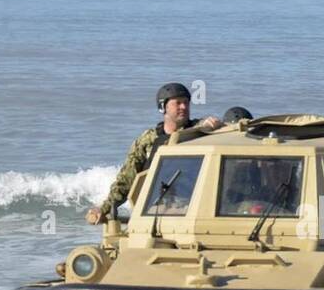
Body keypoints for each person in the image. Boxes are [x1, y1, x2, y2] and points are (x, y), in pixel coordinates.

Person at [87, 83, 222, 224]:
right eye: (178, 103)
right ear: (163, 107)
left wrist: (213, 124)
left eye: (186, 103)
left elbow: (220, 131)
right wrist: (105, 209)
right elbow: (126, 180)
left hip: (191, 208)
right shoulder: (147, 140)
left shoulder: (200, 132)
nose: (184, 107)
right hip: (154, 210)